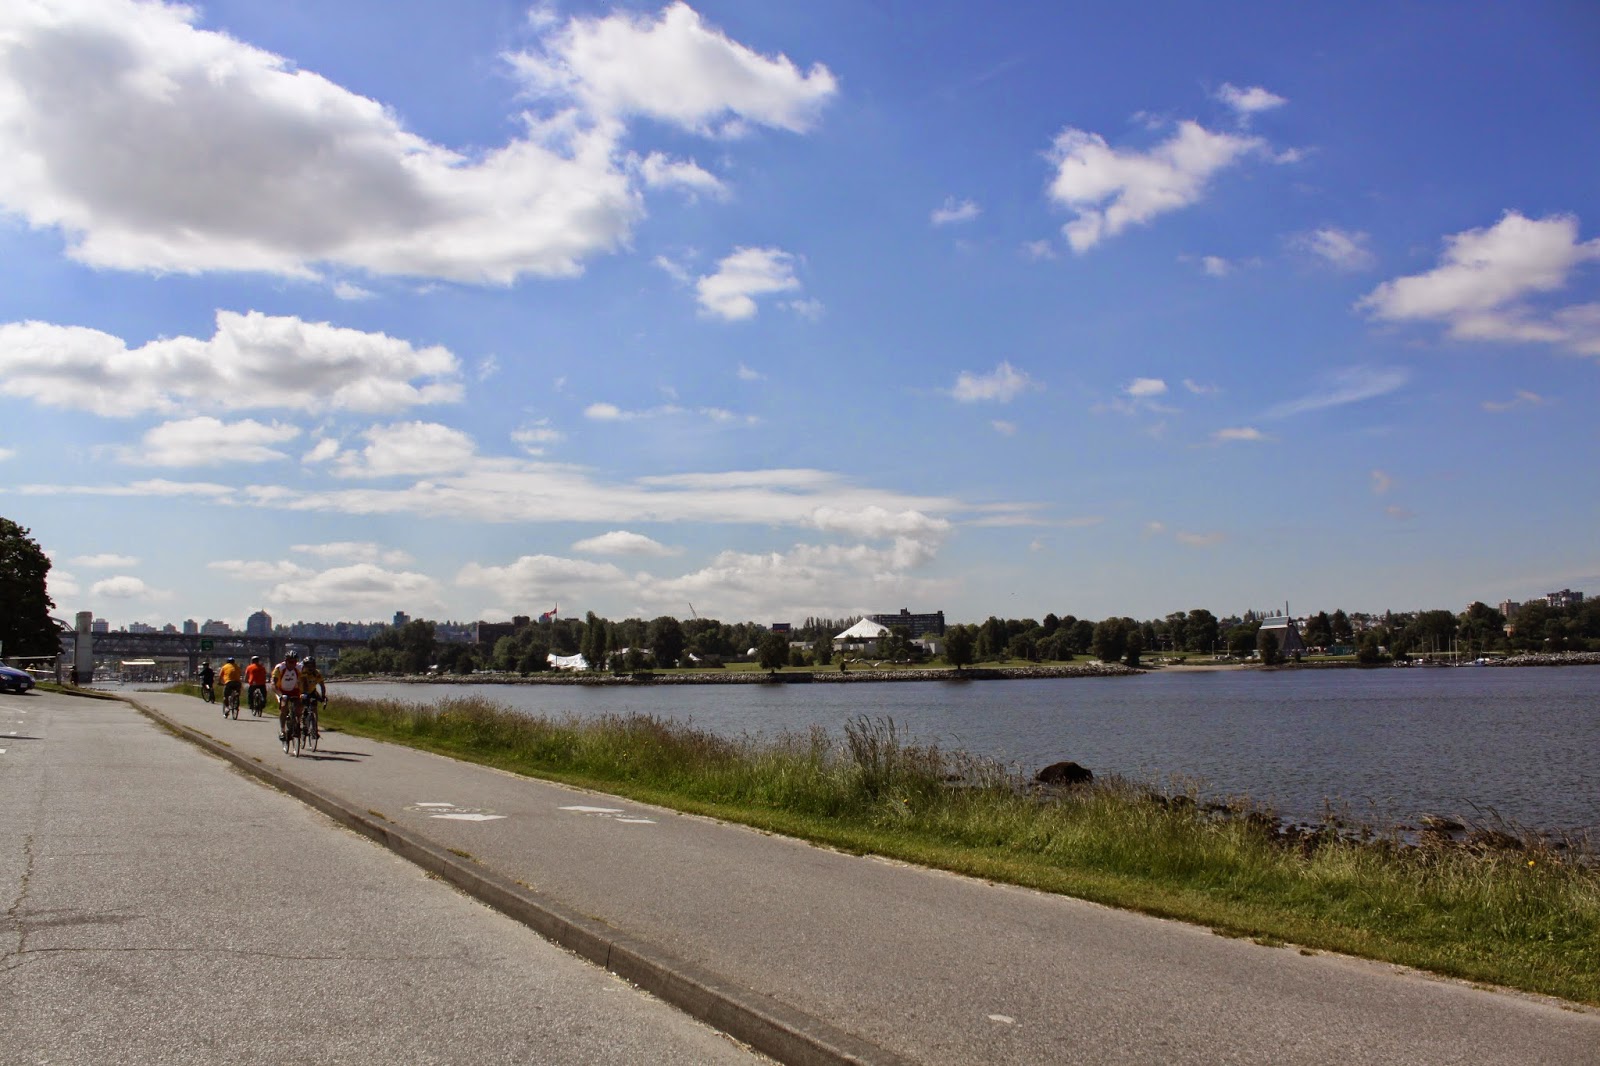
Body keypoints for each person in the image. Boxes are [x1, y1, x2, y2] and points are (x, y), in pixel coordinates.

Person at [272, 650, 304, 742]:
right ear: (286, 661)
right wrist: (280, 695)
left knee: (299, 705)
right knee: (284, 707)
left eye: (294, 661)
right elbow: (273, 683)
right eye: (290, 662)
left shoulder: (300, 668)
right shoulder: (279, 668)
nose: (292, 664)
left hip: (294, 690)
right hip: (281, 690)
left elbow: (304, 680)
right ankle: (282, 730)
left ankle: (297, 724)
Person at [299, 657, 326, 740]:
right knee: (303, 708)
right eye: (308, 666)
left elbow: (322, 685)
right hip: (302, 691)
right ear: (305, 666)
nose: (310, 668)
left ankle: (314, 728)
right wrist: (304, 694)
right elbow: (304, 684)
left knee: (314, 709)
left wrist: (323, 696)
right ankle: (303, 725)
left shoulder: (317, 673)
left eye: (312, 666)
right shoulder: (302, 672)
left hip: (312, 691)